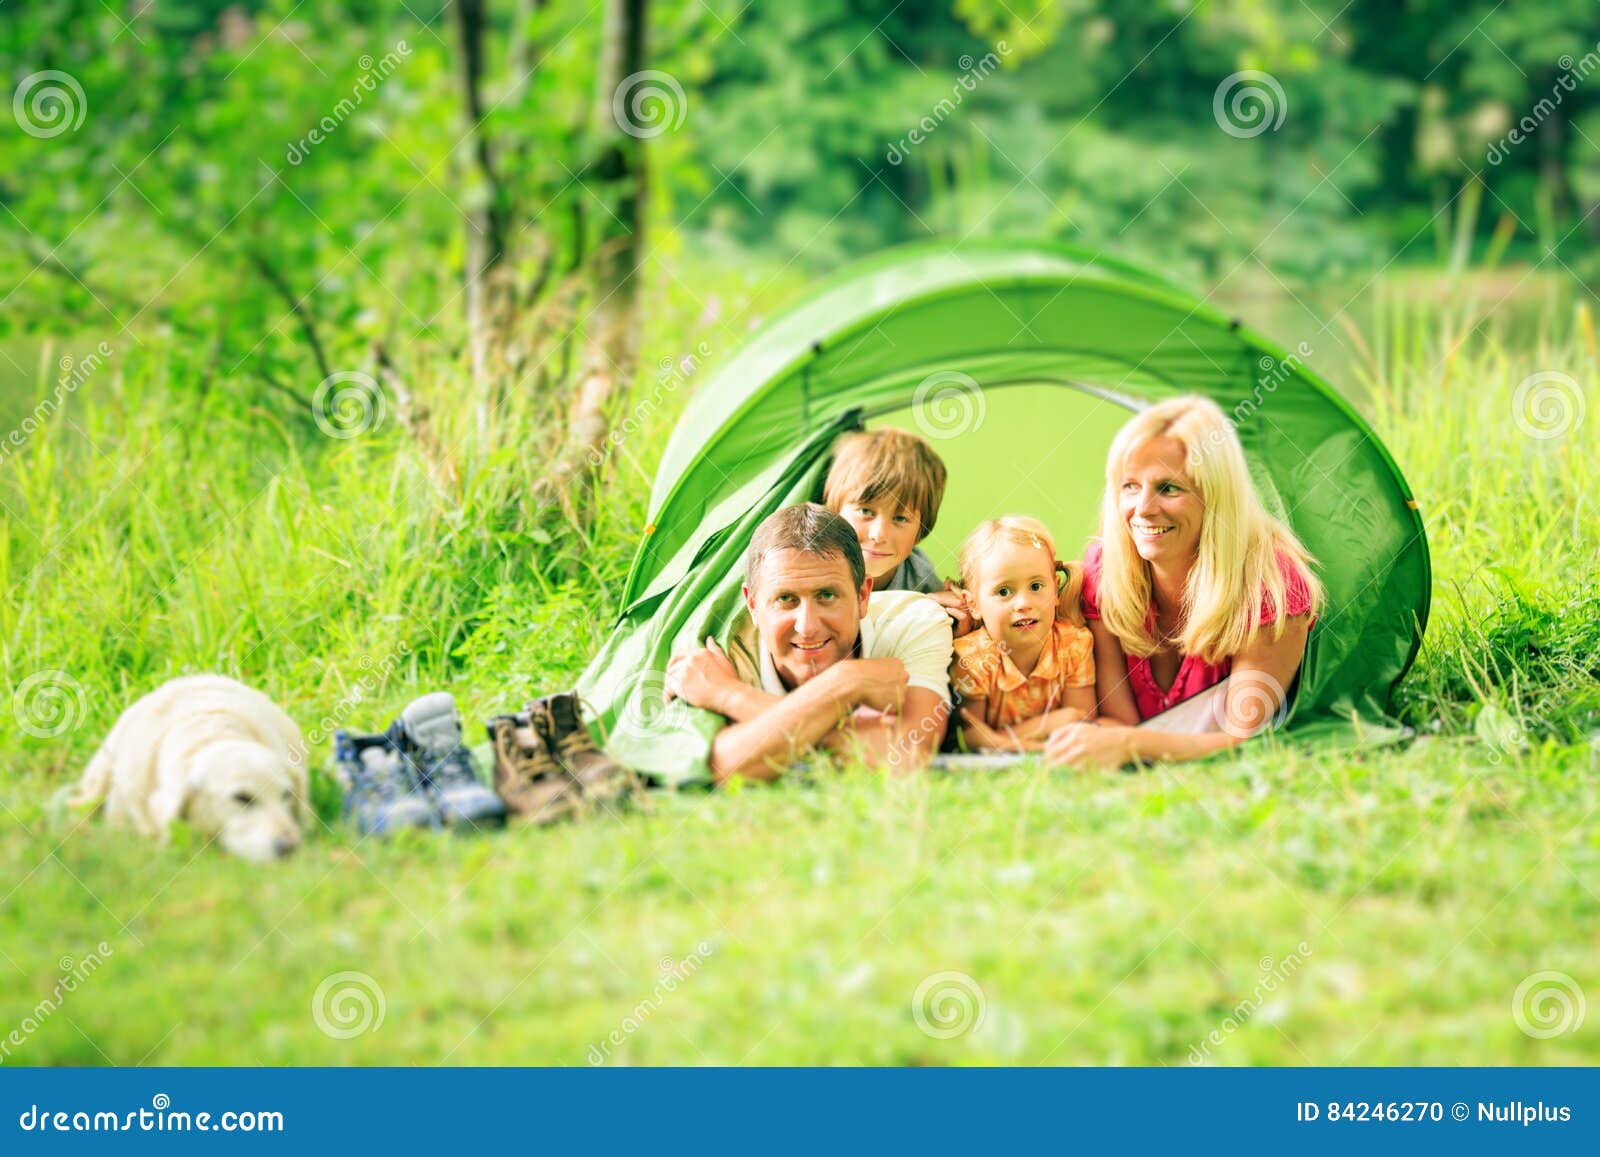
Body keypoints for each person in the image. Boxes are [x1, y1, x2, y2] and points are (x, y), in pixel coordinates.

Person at [1046, 395, 1324, 769]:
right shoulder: (1105, 571)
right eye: (1130, 486)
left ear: (1215, 495)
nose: (1143, 509)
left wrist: (1129, 743)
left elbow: (1241, 741)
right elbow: (1120, 723)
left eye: (1168, 487)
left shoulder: (1272, 588)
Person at [664, 503, 954, 783]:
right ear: (752, 605)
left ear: (863, 595)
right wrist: (847, 684)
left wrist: (732, 697)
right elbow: (726, 764)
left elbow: (911, 751)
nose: (807, 626)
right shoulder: (723, 648)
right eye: (786, 600)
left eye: (827, 596)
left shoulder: (912, 620)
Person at [949, 516, 1096, 753]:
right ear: (973, 604)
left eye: (1036, 587)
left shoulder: (1075, 644)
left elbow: (1081, 722)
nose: (1024, 604)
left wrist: (1000, 741)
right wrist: (1043, 729)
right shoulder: (972, 657)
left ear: (1056, 589)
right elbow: (969, 736)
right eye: (1004, 591)